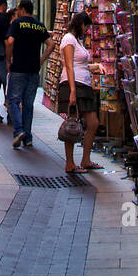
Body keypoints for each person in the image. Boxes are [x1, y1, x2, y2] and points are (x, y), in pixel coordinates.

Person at [5, 0, 54, 150]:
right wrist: (41, 60)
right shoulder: (39, 25)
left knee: (12, 100)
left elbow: (10, 41)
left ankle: (19, 130)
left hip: (19, 68)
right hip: (33, 69)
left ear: (22, 9)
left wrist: (8, 59)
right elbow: (51, 44)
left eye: (18, 9)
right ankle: (28, 137)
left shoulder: (17, 23)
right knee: (28, 104)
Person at [58, 11, 102, 173]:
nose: (87, 29)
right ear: (79, 24)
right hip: (74, 85)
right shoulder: (68, 39)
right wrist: (72, 91)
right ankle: (70, 163)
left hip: (83, 85)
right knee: (72, 124)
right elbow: (69, 65)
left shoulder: (78, 41)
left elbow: (80, 65)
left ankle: (85, 160)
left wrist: (95, 66)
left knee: (93, 123)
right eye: (86, 25)